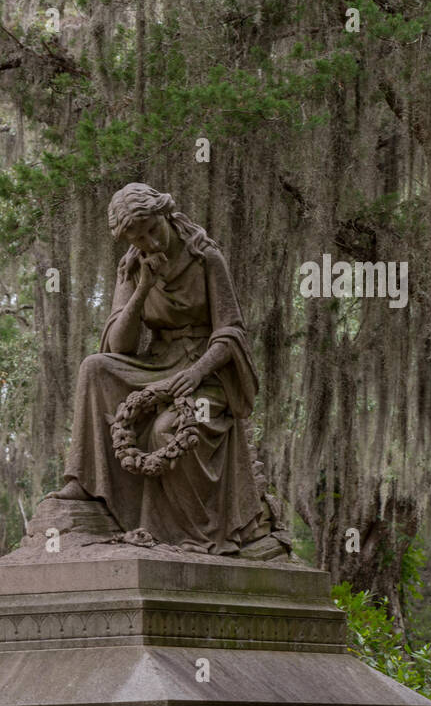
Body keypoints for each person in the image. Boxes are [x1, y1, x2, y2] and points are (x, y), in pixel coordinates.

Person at [47, 183, 272, 554]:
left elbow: (231, 332)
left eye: (152, 229)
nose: (150, 242)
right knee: (94, 367)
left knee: (167, 431)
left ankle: (192, 532)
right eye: (138, 238)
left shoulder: (205, 257)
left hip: (205, 371)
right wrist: (141, 288)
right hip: (156, 364)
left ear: (164, 213)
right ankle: (84, 482)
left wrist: (198, 372)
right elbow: (120, 345)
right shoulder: (133, 267)